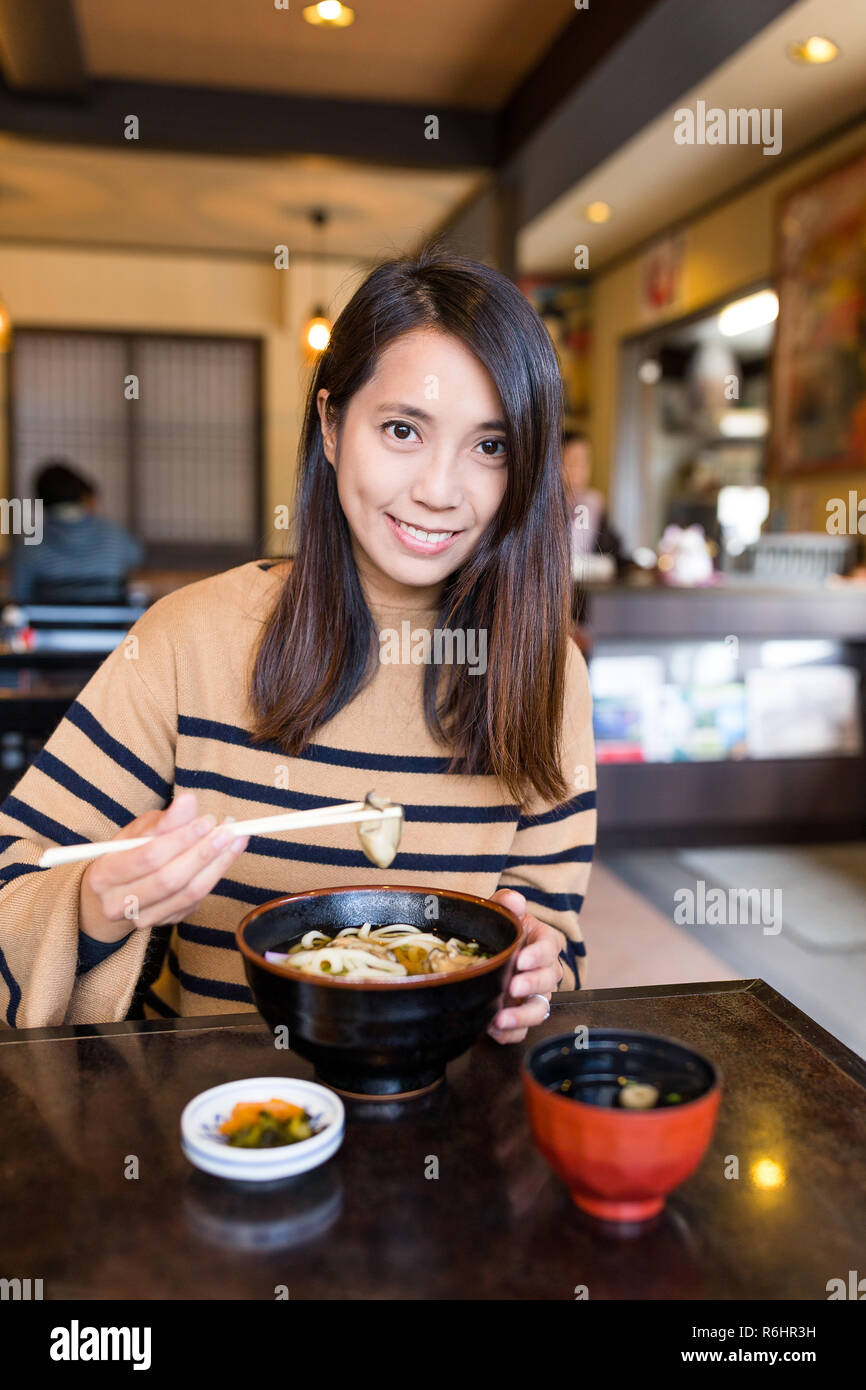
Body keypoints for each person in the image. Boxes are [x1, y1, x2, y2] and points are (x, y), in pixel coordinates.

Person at [0, 248, 597, 1036]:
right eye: (401, 429)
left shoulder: (547, 671)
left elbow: (553, 935)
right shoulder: (190, 640)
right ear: (330, 425)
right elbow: (18, 878)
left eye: (491, 447)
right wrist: (97, 903)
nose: (441, 490)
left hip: (444, 1113)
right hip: (211, 1117)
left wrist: (535, 972)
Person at [11, 461, 143, 604]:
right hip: (107, 624)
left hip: (49, 624)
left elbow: (20, 595)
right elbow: (136, 557)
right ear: (82, 497)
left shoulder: (30, 546)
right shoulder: (115, 536)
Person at [562, 430, 625, 572]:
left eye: (584, 462)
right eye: (571, 462)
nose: (579, 470)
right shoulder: (541, 505)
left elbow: (612, 552)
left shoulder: (594, 503)